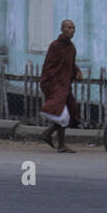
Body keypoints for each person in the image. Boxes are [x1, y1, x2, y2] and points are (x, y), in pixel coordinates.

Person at [38, 19, 82, 152]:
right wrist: (55, 82)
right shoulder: (55, 46)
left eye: (73, 28)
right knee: (63, 115)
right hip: (54, 84)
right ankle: (58, 142)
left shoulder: (71, 47)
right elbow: (49, 66)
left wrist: (76, 72)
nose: (72, 30)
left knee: (70, 112)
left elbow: (70, 65)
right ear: (62, 29)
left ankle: (49, 135)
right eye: (69, 28)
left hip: (64, 85)